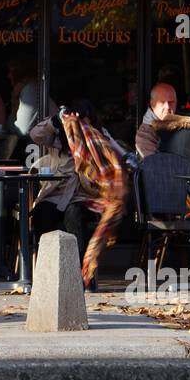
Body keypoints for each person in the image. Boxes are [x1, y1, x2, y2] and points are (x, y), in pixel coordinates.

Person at [29, 100, 121, 281]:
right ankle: (46, 274)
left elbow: (118, 156)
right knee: (42, 213)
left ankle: (77, 276)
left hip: (84, 196)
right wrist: (55, 120)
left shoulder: (99, 138)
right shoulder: (59, 138)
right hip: (57, 194)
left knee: (74, 215)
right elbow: (35, 135)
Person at [134, 83, 186, 159]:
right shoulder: (145, 134)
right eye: (162, 102)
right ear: (152, 103)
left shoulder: (185, 121)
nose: (167, 107)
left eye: (171, 102)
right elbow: (156, 166)